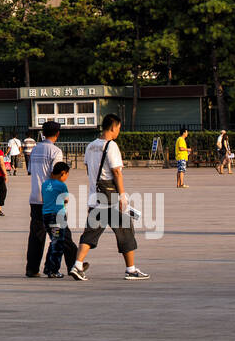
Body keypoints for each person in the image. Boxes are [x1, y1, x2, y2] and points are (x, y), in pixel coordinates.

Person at [70, 114, 148, 281]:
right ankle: (131, 269)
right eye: (119, 128)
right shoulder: (111, 146)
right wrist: (122, 196)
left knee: (90, 232)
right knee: (125, 228)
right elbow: (116, 172)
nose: (119, 131)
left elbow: (89, 170)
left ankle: (77, 265)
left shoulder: (90, 146)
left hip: (95, 196)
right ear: (113, 127)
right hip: (109, 196)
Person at [25, 121, 63, 277]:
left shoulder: (34, 151)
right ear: (58, 134)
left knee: (36, 235)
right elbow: (57, 176)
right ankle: (58, 267)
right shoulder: (56, 151)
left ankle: (32, 269)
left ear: (43, 133)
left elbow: (30, 171)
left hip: (35, 198)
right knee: (58, 234)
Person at [41, 162, 77, 277]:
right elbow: (65, 199)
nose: (66, 177)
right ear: (63, 173)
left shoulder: (45, 184)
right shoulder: (62, 185)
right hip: (57, 217)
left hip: (46, 216)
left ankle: (48, 268)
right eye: (67, 174)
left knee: (54, 241)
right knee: (58, 244)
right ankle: (53, 270)